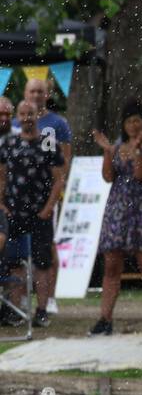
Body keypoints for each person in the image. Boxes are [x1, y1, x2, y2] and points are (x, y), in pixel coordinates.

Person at [89, 99, 142, 335]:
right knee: (111, 264)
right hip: (118, 207)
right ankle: (105, 319)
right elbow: (108, 176)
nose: (132, 125)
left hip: (141, 207)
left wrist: (138, 152)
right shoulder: (118, 145)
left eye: (136, 120)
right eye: (128, 121)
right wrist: (108, 152)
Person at [0, 100, 65, 329]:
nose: (27, 117)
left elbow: (58, 179)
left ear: (37, 115)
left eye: (31, 114)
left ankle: (42, 309)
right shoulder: (9, 143)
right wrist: (2, 204)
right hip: (14, 210)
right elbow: (2, 175)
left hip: (40, 211)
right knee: (14, 260)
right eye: (23, 114)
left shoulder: (48, 142)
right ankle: (15, 309)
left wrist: (49, 207)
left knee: (42, 262)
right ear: (18, 116)